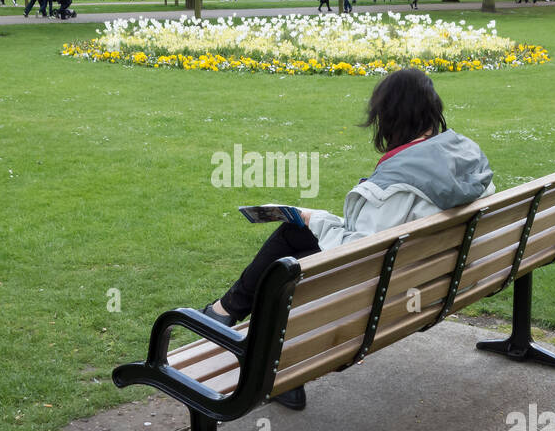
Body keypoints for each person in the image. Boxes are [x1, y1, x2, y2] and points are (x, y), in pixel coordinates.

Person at [202, 69, 495, 410]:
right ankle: (229, 314)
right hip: (437, 277)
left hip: (382, 295)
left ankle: (236, 326)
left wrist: (315, 218)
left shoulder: (400, 182)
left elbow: (359, 255)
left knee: (292, 247)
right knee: (298, 236)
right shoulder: (464, 157)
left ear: (387, 117)